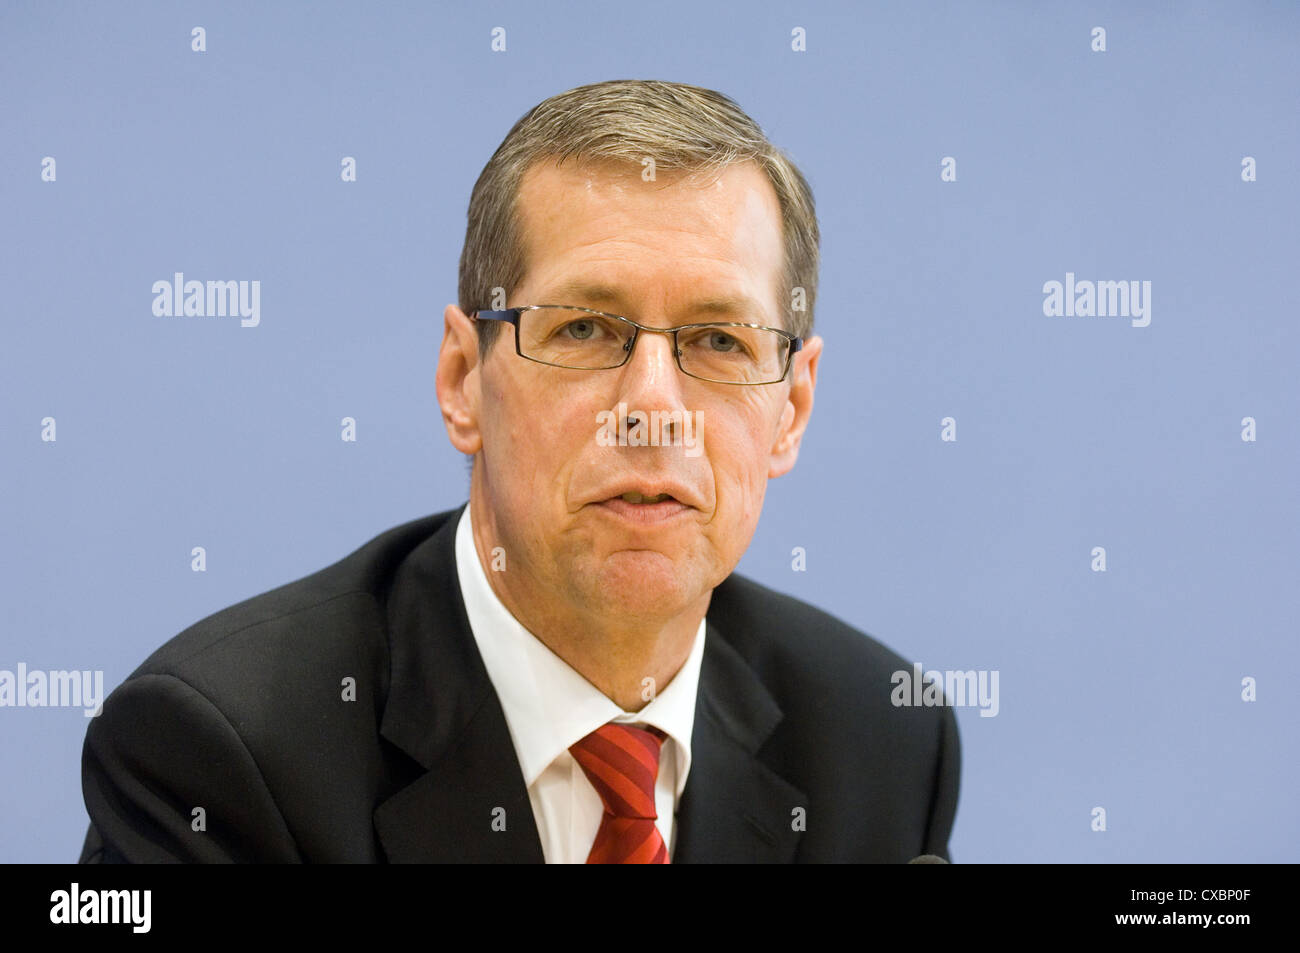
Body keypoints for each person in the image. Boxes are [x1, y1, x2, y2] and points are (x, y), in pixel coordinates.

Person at [78, 79, 960, 863]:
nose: (653, 408)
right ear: (463, 380)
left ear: (792, 408)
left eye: (720, 340)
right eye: (583, 329)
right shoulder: (226, 753)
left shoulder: (880, 742)